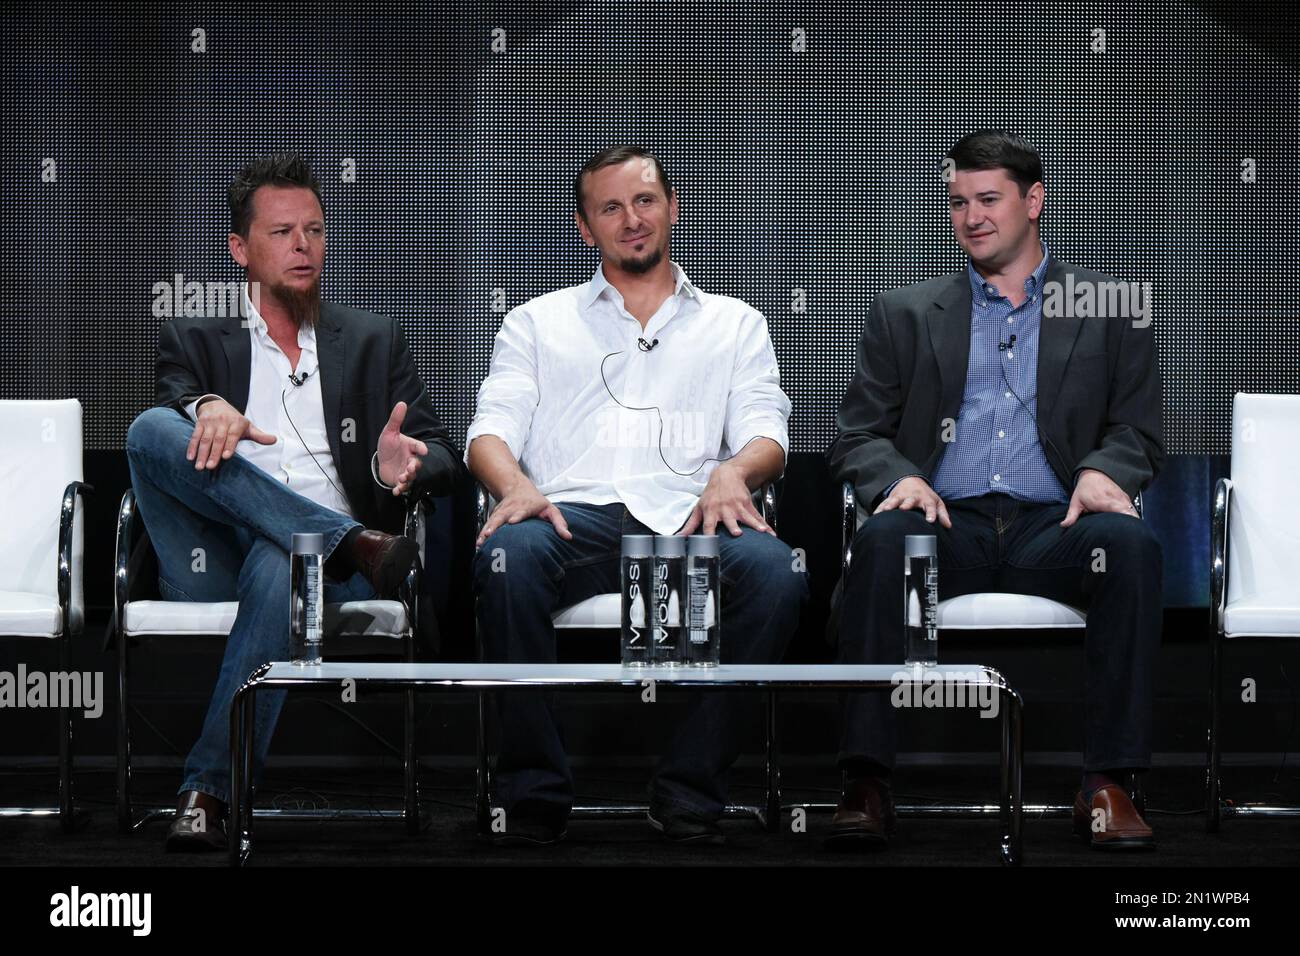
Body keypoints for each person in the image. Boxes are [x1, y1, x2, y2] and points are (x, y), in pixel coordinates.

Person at [829, 130, 1164, 851]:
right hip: (948, 524)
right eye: (958, 203)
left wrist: (1108, 469)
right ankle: (865, 780)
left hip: (1058, 524)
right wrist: (904, 477)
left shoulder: (1108, 306)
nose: (972, 217)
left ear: (1033, 201)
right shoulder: (905, 312)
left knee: (1131, 547)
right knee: (883, 541)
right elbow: (856, 436)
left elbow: (1138, 431)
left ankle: (1109, 783)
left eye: (988, 199)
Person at [467, 145, 808, 846]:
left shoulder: (734, 323)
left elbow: (767, 433)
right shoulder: (536, 322)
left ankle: (689, 789)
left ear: (673, 208)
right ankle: (533, 794)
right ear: (584, 228)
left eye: (646, 201)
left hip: (690, 517)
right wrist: (516, 485)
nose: (633, 220)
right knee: (508, 557)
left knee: (777, 574)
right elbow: (487, 435)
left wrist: (733, 473)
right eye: (611, 208)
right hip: (570, 517)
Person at [125, 153, 461, 851]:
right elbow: (169, 417)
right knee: (150, 430)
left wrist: (400, 465)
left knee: (285, 556)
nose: (302, 245)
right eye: (281, 233)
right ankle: (347, 540)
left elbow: (441, 453)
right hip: (212, 554)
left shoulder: (373, 339)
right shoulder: (193, 337)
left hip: (310, 573)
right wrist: (209, 405)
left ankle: (206, 793)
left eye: (313, 229)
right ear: (240, 249)